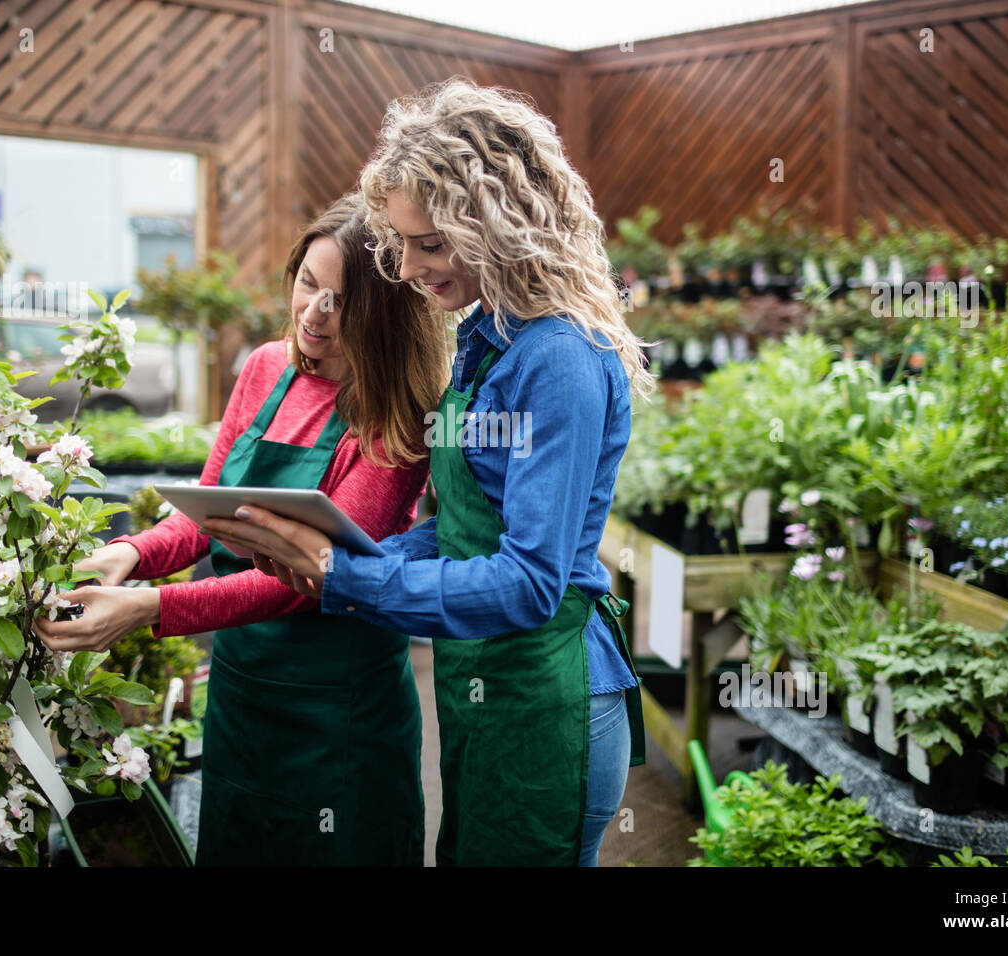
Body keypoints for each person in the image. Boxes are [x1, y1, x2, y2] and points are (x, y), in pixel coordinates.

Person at [202, 77, 652, 867]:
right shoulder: (487, 338)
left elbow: (526, 582)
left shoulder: (561, 359)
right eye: (401, 243)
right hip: (480, 684)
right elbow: (464, 528)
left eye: (430, 244)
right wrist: (345, 552)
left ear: (501, 225)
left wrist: (346, 577)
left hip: (550, 697)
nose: (407, 269)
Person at [33, 192, 450, 866]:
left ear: (383, 314)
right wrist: (128, 554)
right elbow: (206, 516)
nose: (313, 312)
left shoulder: (396, 414)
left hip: (336, 709)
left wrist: (147, 607)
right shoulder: (265, 368)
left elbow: (303, 581)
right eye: (307, 284)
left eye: (340, 301)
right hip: (241, 693)